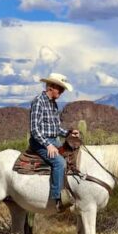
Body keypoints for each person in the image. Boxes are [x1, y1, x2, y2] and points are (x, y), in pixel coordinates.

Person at [29, 73, 79, 212]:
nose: (62, 92)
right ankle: (57, 199)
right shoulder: (38, 101)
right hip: (39, 143)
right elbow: (34, 129)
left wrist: (69, 133)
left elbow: (56, 129)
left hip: (54, 140)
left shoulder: (54, 104)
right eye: (60, 89)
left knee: (73, 155)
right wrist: (48, 145)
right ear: (51, 87)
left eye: (62, 89)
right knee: (59, 162)